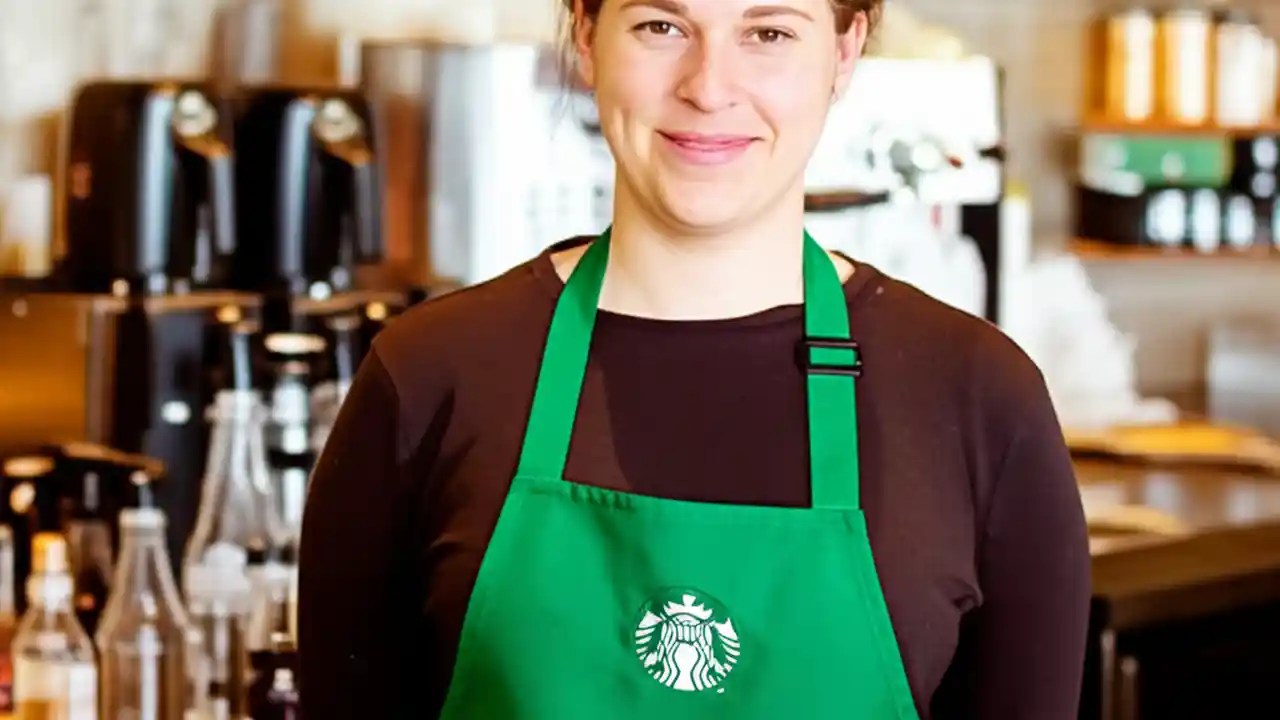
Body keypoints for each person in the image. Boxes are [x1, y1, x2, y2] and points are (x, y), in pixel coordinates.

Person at [298, 0, 1091, 717]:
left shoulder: (975, 396)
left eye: (768, 33)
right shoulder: (431, 375)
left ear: (846, 51)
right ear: (586, 35)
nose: (709, 87)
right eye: (661, 27)